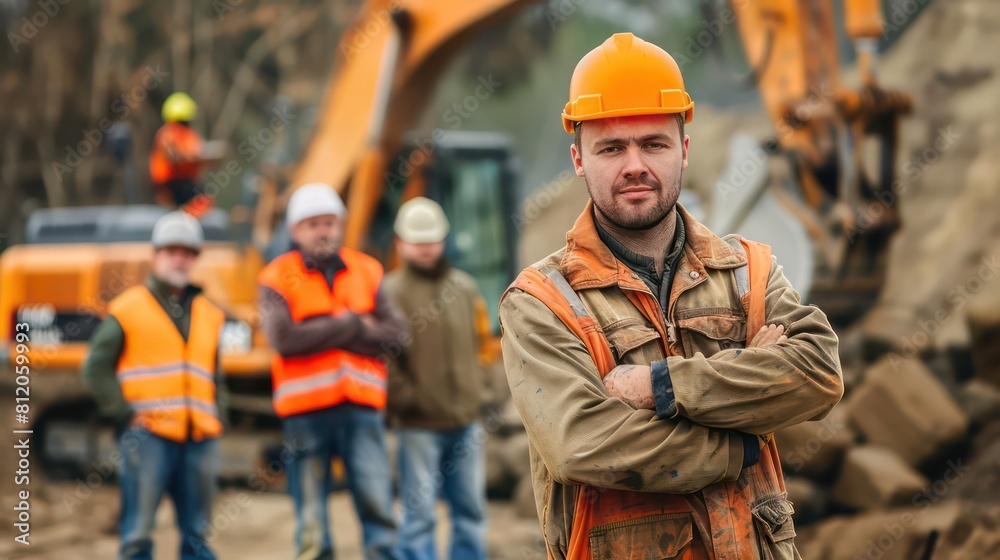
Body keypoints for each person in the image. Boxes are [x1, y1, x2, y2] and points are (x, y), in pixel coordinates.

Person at [498, 33, 844, 559]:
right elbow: (582, 444)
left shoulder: (749, 269)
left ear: (683, 150)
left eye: (653, 143)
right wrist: (743, 433)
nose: (634, 164)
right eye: (611, 148)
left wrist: (657, 386)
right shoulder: (541, 301)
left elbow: (817, 373)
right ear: (578, 160)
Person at [257, 183, 405, 560]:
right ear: (295, 231)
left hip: (362, 409)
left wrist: (323, 329)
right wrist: (354, 326)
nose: (322, 231)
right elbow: (285, 339)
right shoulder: (276, 277)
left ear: (340, 225)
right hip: (305, 415)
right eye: (312, 224)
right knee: (311, 515)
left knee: (378, 507)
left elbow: (397, 335)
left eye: (328, 223)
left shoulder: (368, 270)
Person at [83, 211, 229, 560]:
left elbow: (215, 374)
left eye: (187, 251)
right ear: (156, 255)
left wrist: (219, 417)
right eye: (171, 250)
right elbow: (95, 367)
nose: (179, 257)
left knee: (197, 535)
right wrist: (122, 412)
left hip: (200, 439)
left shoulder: (210, 313)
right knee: (138, 534)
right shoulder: (128, 308)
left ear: (195, 257)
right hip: (148, 436)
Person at [382, 197, 491, 560]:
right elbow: (384, 358)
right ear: (401, 242)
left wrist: (482, 386)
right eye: (418, 241)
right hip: (418, 426)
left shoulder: (465, 287)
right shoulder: (389, 292)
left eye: (431, 239)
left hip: (465, 420)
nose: (426, 248)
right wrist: (407, 400)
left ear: (443, 239)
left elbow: (484, 344)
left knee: (471, 512)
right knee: (420, 515)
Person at [149, 92, 225, 216]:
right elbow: (176, 156)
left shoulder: (179, 134)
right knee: (204, 201)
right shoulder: (169, 134)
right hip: (172, 186)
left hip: (183, 185)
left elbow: (196, 155)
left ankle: (184, 218)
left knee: (204, 200)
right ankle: (184, 219)